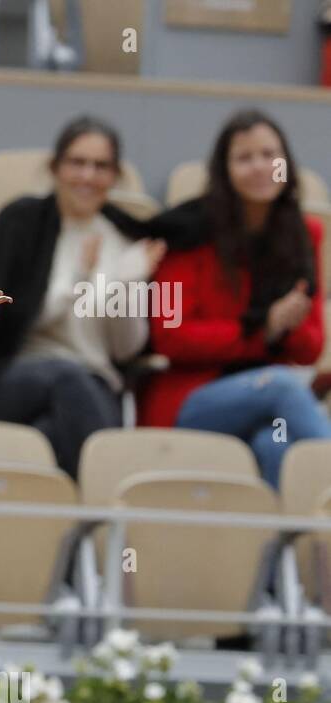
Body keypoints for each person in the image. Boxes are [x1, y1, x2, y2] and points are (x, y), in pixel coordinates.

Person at [0, 116, 173, 477]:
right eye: (77, 162)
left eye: (101, 166)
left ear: (115, 175)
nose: (88, 176)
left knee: (51, 434)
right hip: (15, 376)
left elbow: (125, 350)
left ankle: (71, 525)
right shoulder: (22, 223)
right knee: (66, 377)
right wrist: (78, 279)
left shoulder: (124, 240)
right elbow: (12, 315)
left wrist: (126, 283)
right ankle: (108, 508)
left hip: (95, 382)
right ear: (56, 168)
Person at [141, 109, 328, 486]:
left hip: (270, 402)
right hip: (189, 399)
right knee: (280, 383)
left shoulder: (305, 233)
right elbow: (169, 334)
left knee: (274, 447)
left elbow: (310, 348)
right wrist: (261, 332)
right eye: (245, 158)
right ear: (224, 171)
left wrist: (283, 329)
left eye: (270, 155)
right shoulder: (185, 231)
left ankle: (293, 544)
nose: (260, 167)